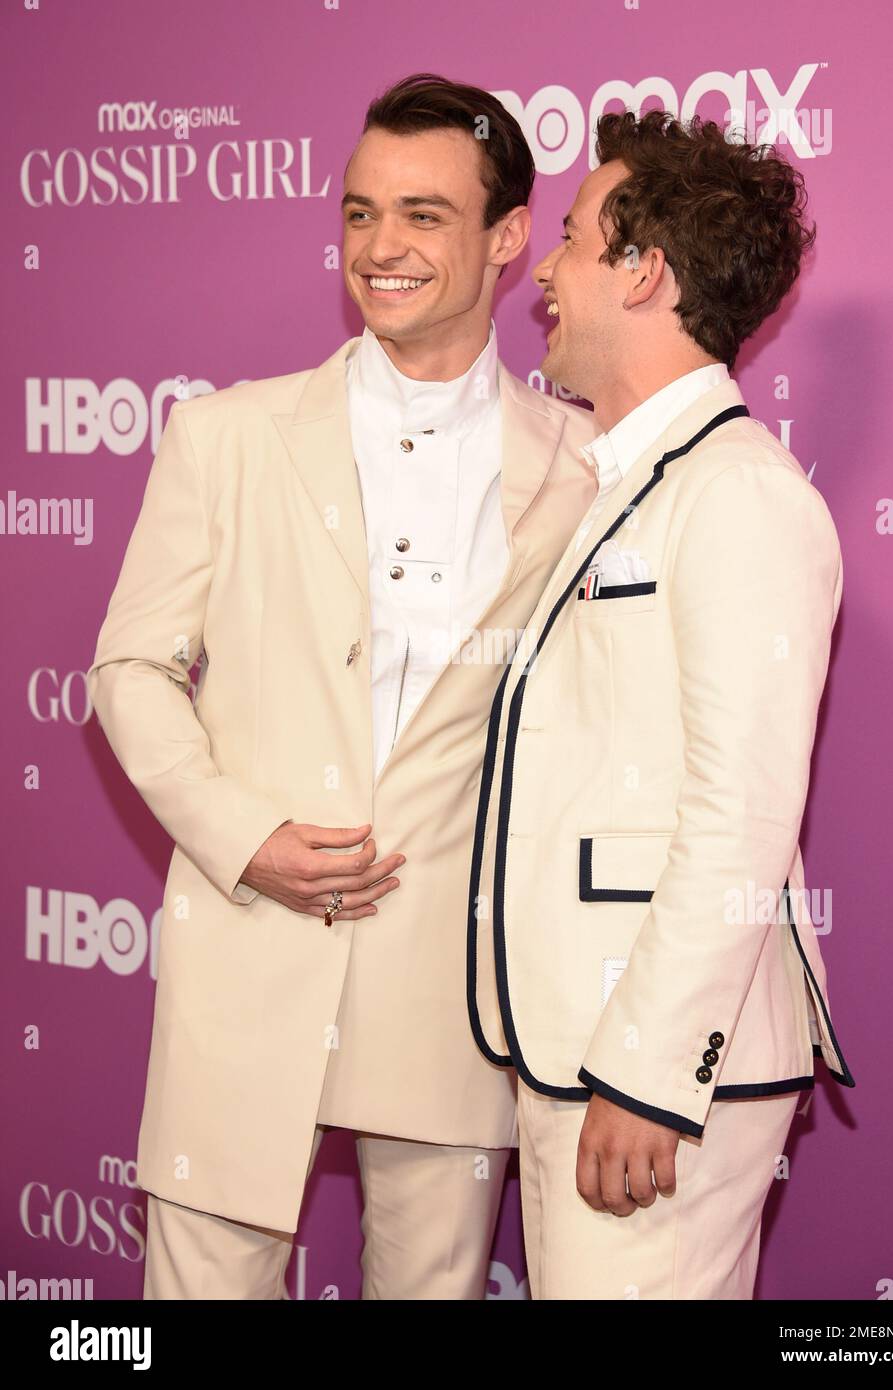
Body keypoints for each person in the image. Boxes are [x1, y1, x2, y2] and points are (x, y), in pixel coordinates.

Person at [87, 72, 598, 1300]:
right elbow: (128, 668)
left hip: (455, 979)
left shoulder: (585, 460)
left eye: (425, 215)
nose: (383, 247)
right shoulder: (230, 435)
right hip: (251, 947)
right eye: (362, 213)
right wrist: (243, 834)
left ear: (507, 237)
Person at [467, 109, 855, 1300]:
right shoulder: (627, 478)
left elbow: (740, 811)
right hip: (576, 1052)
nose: (544, 271)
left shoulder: (740, 495)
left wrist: (643, 1070)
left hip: (651, 1079)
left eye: (577, 240)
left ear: (645, 272)